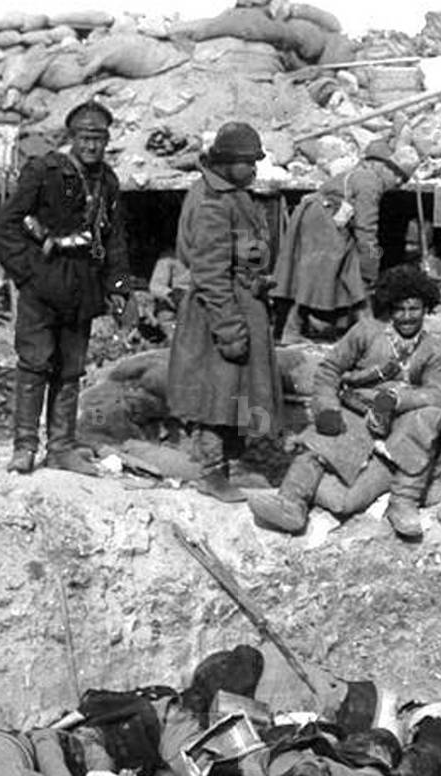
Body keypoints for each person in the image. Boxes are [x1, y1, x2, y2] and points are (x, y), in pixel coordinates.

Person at [249, 265, 441, 540]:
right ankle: (291, 504)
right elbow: (330, 369)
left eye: (414, 309)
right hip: (357, 411)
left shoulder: (434, 350)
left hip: (399, 423)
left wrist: (397, 399)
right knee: (318, 448)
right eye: (399, 309)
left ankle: (404, 503)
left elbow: (438, 393)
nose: (406, 317)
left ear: (426, 308)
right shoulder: (366, 332)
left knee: (427, 421)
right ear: (389, 308)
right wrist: (327, 408)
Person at [0, 100, 132, 476]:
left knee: (70, 369)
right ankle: (24, 446)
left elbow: (114, 238)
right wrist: (28, 275)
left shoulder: (109, 181)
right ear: (72, 138)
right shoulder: (44, 171)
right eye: (86, 138)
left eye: (99, 138)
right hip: (43, 282)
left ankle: (61, 447)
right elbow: (5, 227)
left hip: (83, 284)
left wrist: (118, 286)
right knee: (35, 363)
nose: (92, 146)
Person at [166, 122, 282, 503]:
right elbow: (211, 271)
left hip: (238, 304)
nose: (254, 170)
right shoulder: (213, 203)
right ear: (228, 162)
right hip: (218, 313)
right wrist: (230, 328)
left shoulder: (231, 194)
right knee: (216, 398)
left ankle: (226, 469)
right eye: (248, 162)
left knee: (233, 395)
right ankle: (212, 473)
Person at [271, 141, 418, 340]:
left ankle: (365, 324)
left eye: (404, 178)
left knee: (348, 270)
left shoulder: (361, 176)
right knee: (314, 276)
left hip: (325, 219)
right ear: (383, 167)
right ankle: (291, 330)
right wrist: (373, 263)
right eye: (398, 175)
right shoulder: (370, 183)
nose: (399, 182)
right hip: (323, 222)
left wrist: (371, 258)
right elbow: (367, 228)